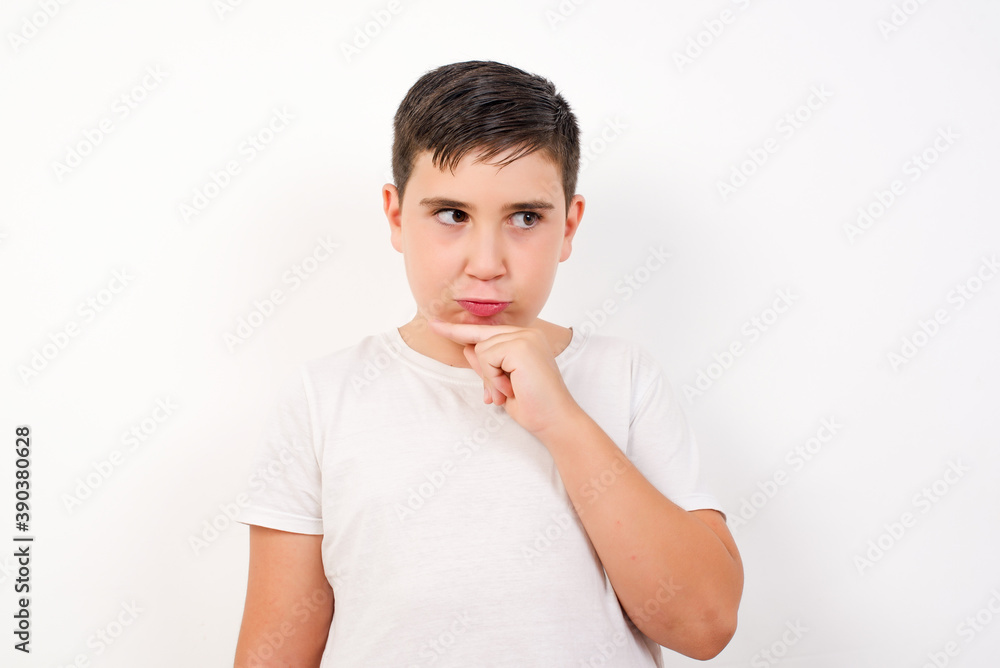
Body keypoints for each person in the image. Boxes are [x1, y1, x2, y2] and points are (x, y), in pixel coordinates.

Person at [233, 60, 743, 667]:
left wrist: (564, 422)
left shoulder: (623, 377)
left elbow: (704, 625)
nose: (486, 262)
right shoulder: (326, 398)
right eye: (452, 215)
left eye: (525, 218)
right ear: (397, 217)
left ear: (569, 226)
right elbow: (276, 653)